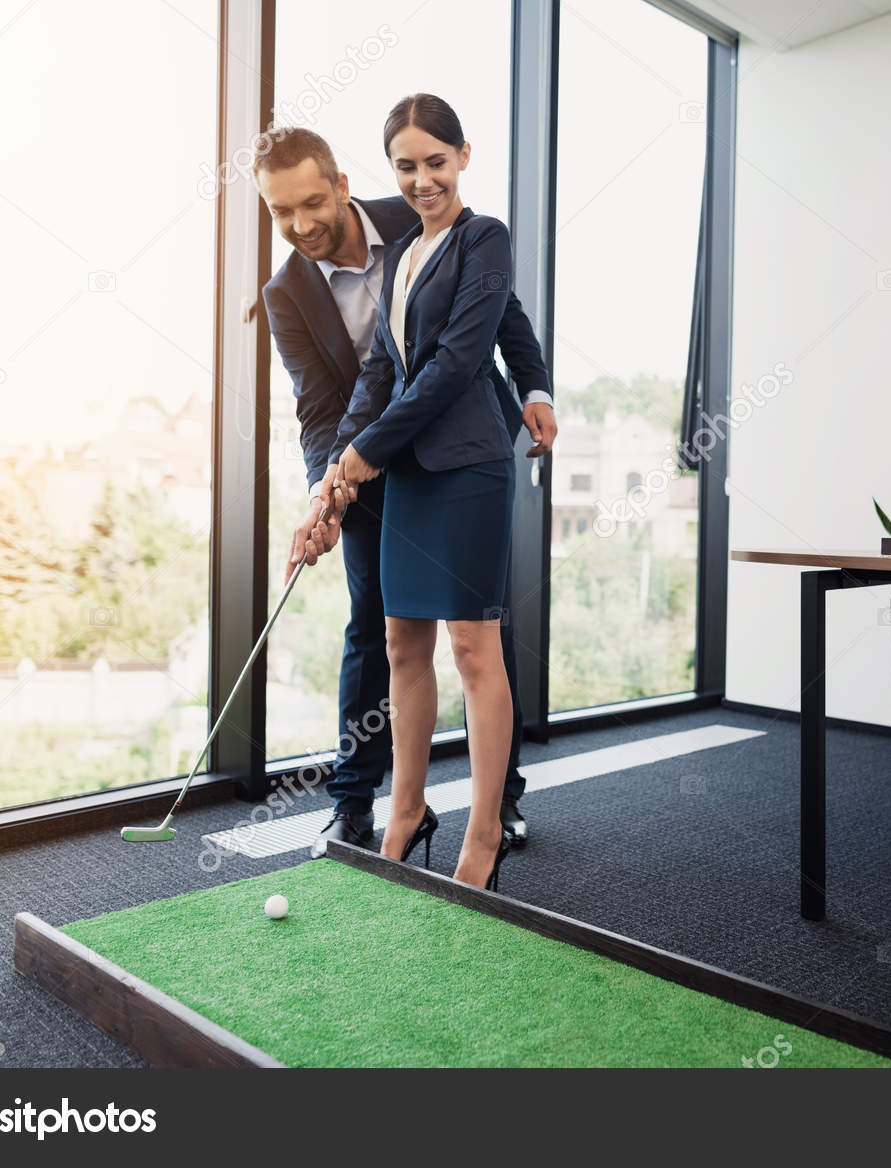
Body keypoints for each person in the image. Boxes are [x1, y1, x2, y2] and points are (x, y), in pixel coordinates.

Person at [255, 125, 556, 862]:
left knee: (478, 628)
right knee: (377, 631)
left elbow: (496, 313)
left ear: (343, 186)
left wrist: (533, 384)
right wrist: (326, 495)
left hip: (456, 448)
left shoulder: (415, 215)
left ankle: (499, 800)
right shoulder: (284, 293)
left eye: (312, 202)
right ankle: (357, 806)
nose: (301, 225)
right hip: (365, 460)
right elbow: (320, 408)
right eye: (281, 213)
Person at [320, 93, 542, 890]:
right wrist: (340, 462)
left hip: (471, 466)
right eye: (406, 167)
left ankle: (483, 835)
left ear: (463, 156)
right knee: (401, 644)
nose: (422, 180)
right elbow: (382, 370)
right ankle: (406, 812)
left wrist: (367, 453)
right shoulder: (405, 256)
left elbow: (457, 360)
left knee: (473, 649)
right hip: (410, 472)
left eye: (435, 162)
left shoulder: (486, 239)